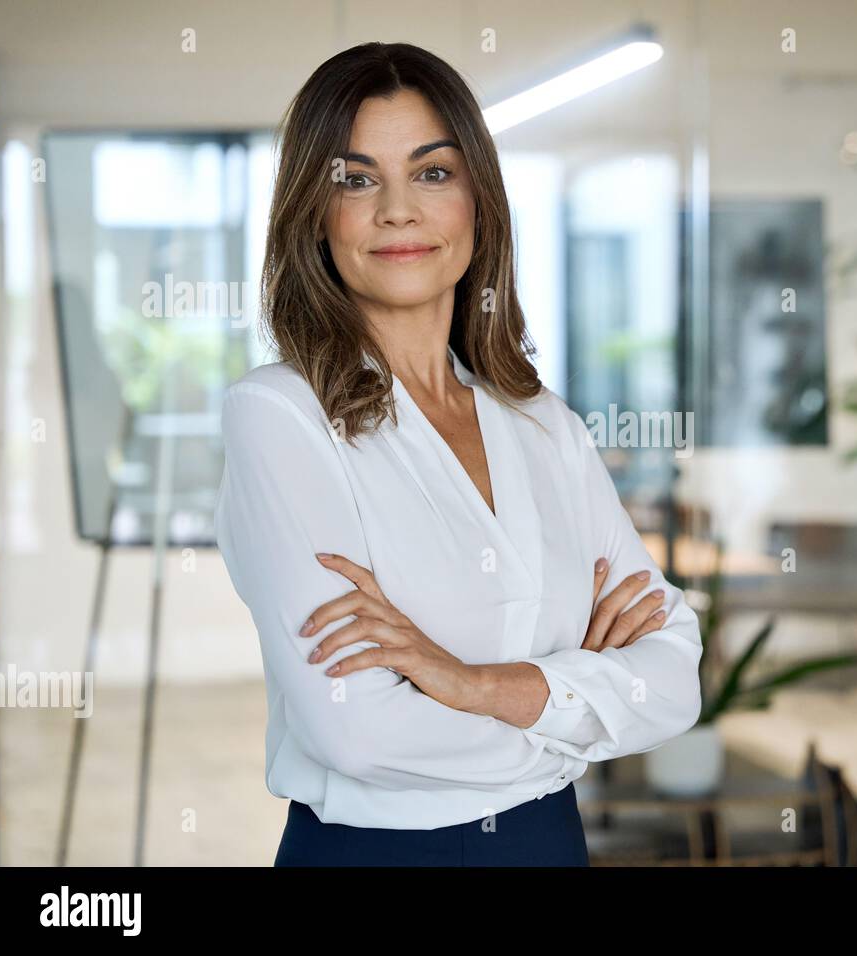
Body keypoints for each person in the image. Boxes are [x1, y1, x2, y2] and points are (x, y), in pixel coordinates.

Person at [214, 41, 703, 866]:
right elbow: (357, 731)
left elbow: (674, 678)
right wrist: (577, 706)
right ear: (313, 212)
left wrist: (468, 683)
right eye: (356, 178)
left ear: (479, 200)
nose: (397, 210)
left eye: (433, 172)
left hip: (549, 843)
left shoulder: (543, 423)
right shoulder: (281, 416)